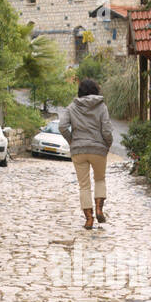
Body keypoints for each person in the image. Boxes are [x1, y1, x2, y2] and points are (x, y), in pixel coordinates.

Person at [60, 79, 113, 229]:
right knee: (100, 180)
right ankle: (99, 209)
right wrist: (106, 144)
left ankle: (89, 219)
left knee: (84, 185)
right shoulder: (102, 107)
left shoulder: (72, 107)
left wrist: (72, 141)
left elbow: (62, 126)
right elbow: (107, 131)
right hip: (98, 149)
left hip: (79, 150)